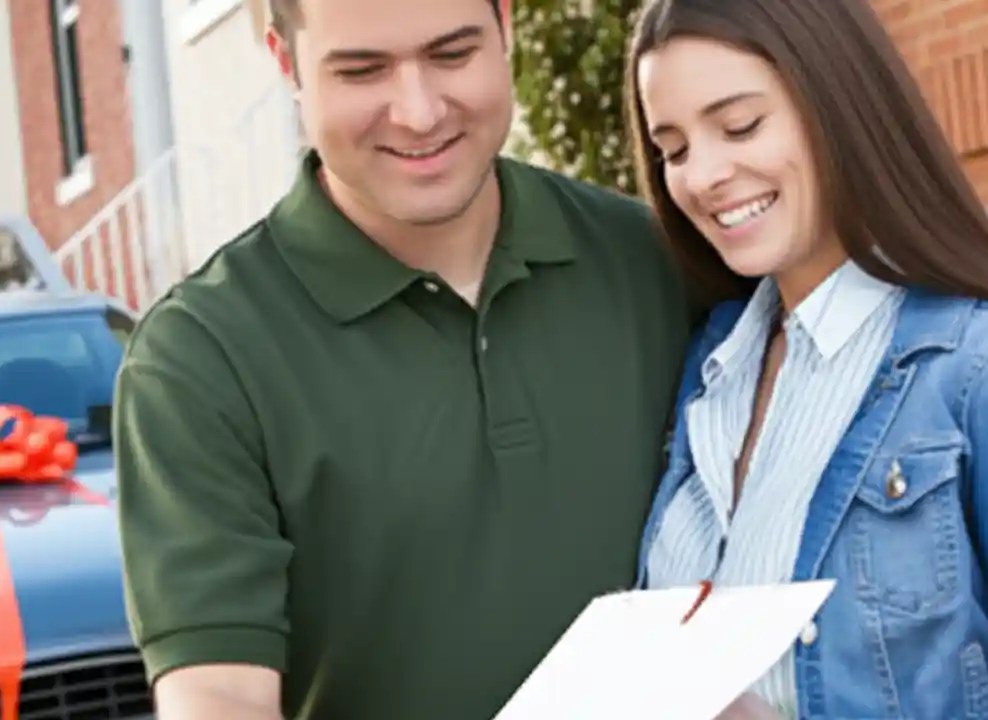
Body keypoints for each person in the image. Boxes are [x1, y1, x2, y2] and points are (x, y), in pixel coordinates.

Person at [112, 0, 691, 717]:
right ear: (286, 63)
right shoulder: (199, 358)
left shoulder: (657, 259)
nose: (418, 113)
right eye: (363, 70)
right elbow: (219, 696)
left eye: (451, 55)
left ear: (505, 27)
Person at [623, 0, 988, 718]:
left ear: (840, 106)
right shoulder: (712, 370)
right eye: (674, 148)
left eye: (740, 125)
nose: (703, 174)